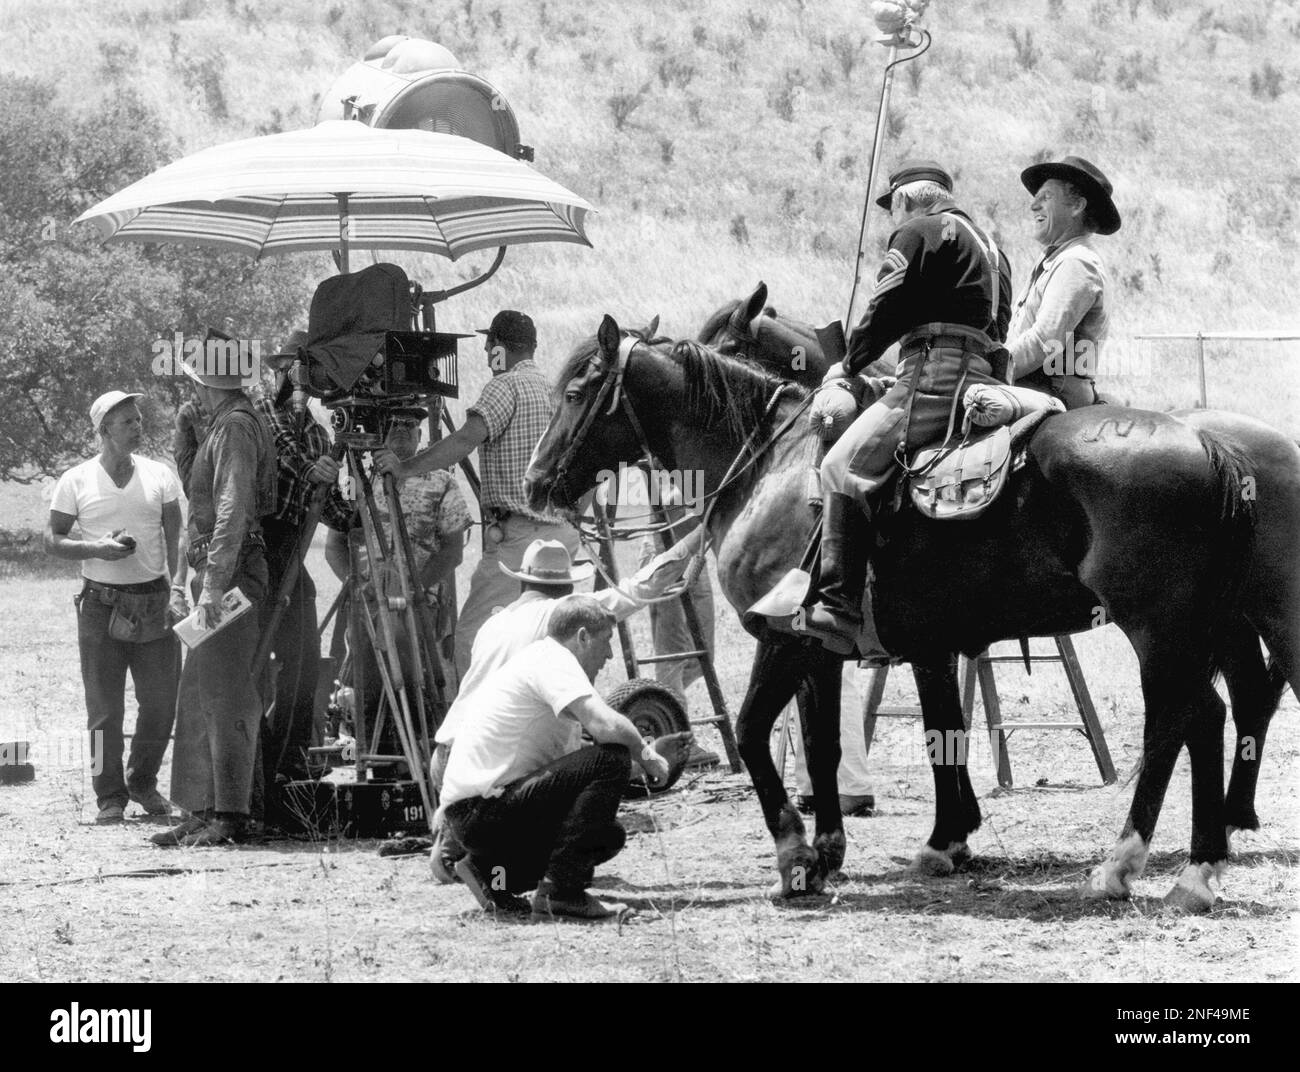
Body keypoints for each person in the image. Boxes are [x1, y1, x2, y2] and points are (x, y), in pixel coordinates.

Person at [800, 159, 1013, 653]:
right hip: (979, 375)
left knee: (839, 466)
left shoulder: (916, 232)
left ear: (904, 200)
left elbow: (885, 311)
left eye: (891, 208)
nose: (891, 219)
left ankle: (837, 604)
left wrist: (847, 365)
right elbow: (999, 329)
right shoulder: (994, 249)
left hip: (930, 377)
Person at [427, 538, 692, 880]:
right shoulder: (561, 619)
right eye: (603, 643)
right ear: (568, 591)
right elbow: (640, 588)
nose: (607, 653)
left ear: (522, 581)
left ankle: (470, 857)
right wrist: (697, 537)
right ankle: (557, 885)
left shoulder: (492, 625)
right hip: (492, 775)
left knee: (600, 819)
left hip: (450, 756)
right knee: (596, 785)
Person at [374, 310, 579, 678]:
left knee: (472, 642)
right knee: (538, 645)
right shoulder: (553, 391)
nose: (486, 356)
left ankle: (475, 731)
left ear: (499, 349)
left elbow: (465, 439)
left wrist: (405, 468)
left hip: (519, 539)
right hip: (559, 537)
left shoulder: (505, 386)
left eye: (489, 347)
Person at [439, 595, 672, 919]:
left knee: (607, 836)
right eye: (606, 642)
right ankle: (562, 894)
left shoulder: (538, 663)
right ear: (582, 636)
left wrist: (642, 766)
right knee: (611, 758)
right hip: (483, 813)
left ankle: (491, 873)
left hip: (472, 818)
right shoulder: (553, 659)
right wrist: (647, 755)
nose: (608, 655)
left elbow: (576, 781)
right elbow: (605, 727)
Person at [153, 347, 276, 846]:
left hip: (234, 572)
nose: (193, 393)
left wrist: (212, 586)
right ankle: (205, 809)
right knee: (201, 687)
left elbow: (231, 508)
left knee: (224, 690)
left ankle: (229, 815)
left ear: (210, 385)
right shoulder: (224, 425)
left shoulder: (235, 428)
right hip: (226, 568)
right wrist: (185, 438)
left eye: (197, 385)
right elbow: (199, 493)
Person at [46, 391, 183, 825]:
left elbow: (179, 536)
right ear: (103, 429)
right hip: (100, 606)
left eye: (139, 420)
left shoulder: (160, 475)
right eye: (126, 422)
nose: (137, 427)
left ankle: (143, 781)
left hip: (155, 601)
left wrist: (179, 586)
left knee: (161, 703)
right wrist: (98, 548)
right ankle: (110, 796)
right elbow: (53, 539)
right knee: (104, 709)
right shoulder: (76, 480)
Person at [325, 400, 473, 760]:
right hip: (370, 604)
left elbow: (453, 551)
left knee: (421, 682)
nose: (403, 431)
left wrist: (415, 590)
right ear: (381, 434)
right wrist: (359, 586)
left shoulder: (441, 481)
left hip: (422, 604)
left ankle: (423, 753)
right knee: (367, 682)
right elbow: (334, 546)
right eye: (394, 425)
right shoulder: (362, 480)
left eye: (411, 426)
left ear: (421, 435)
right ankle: (371, 751)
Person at [253, 330, 352, 786]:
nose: (306, 379)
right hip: (258, 546)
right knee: (253, 655)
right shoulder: (260, 408)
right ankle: (252, 759)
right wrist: (316, 469)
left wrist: (353, 515)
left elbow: (326, 502)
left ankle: (286, 756)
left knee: (305, 659)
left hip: (292, 544)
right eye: (300, 367)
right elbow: (284, 453)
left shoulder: (315, 427)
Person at [1007, 156, 1120, 410]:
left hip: (1053, 394)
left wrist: (988, 368)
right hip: (1040, 388)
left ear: (1077, 206)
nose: (1033, 205)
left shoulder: (1076, 262)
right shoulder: (1057, 259)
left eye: (1045, 197)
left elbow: (1042, 342)